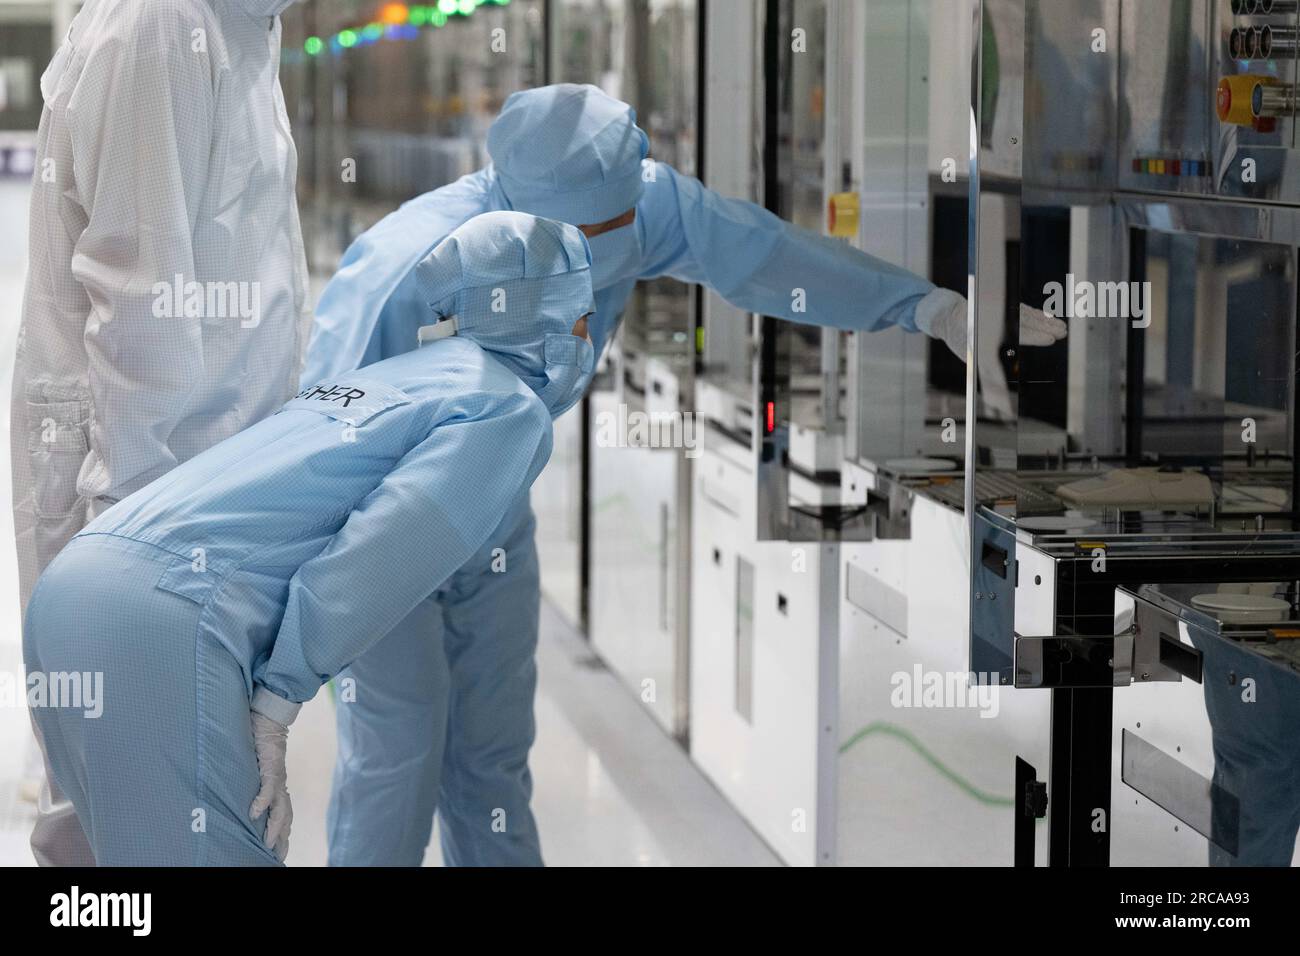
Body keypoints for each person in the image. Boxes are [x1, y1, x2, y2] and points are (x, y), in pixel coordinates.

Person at [308, 83, 1068, 867]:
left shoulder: (640, 206)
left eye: (614, 239)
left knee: (490, 762)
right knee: (396, 759)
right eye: (577, 244)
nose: (599, 270)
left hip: (496, 516)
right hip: (380, 529)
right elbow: (316, 444)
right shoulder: (409, 264)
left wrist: (926, 308)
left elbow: (767, 255)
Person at [23, 211, 593, 866]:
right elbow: (383, 552)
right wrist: (278, 703)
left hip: (78, 587)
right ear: (549, 316)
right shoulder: (505, 405)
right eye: (582, 317)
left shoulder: (394, 374)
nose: (588, 337)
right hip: (166, 626)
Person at [12, 0, 307, 865]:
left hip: (204, 497)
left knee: (152, 812)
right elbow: (142, 308)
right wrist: (129, 568)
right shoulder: (165, 23)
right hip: (153, 507)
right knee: (137, 815)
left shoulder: (246, 21)